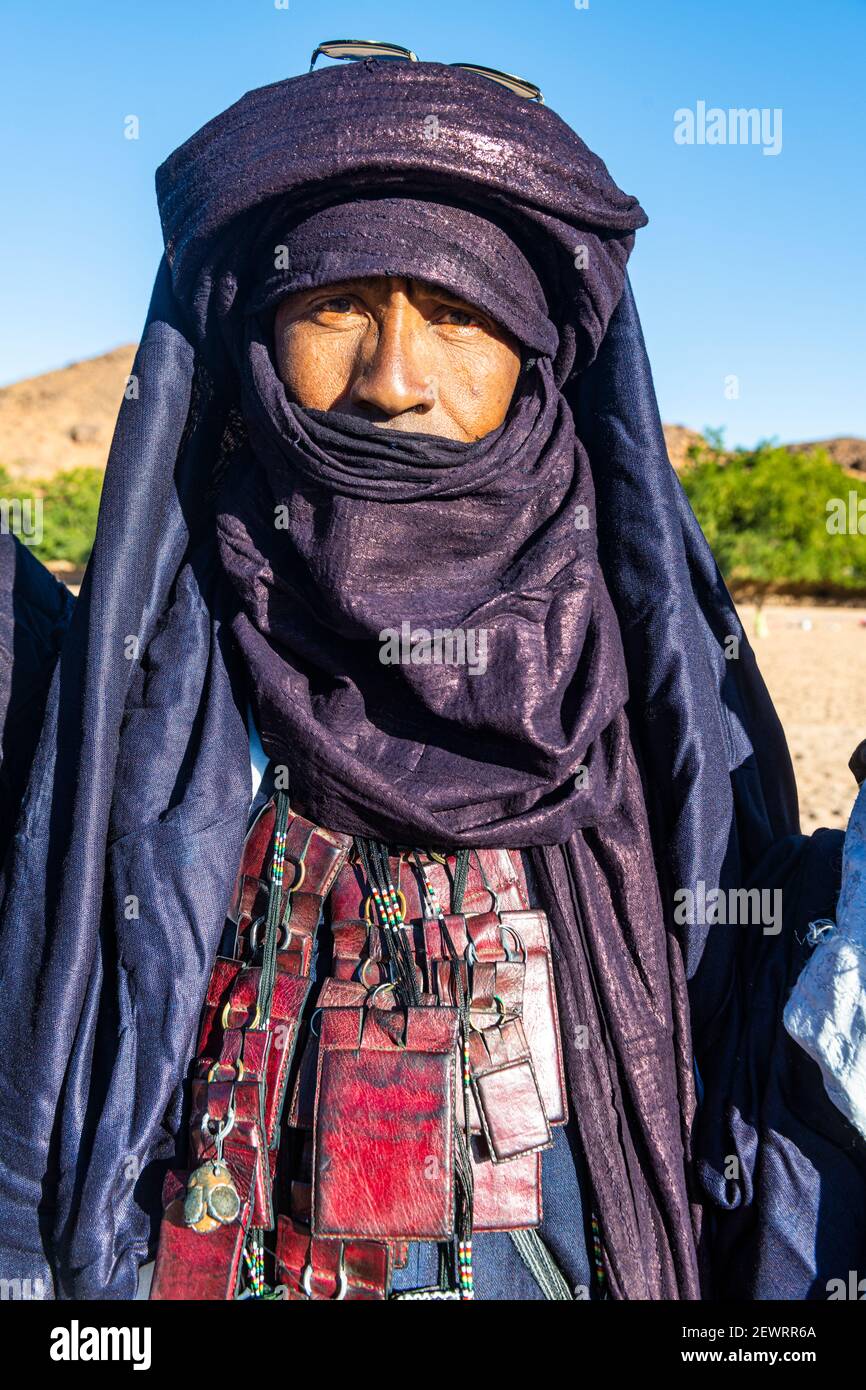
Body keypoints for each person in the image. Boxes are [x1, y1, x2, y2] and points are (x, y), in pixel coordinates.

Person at [0, 47, 863, 1302]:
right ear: (255, 338)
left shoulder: (648, 703)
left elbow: (748, 1027)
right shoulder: (128, 696)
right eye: (336, 306)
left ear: (537, 361)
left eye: (457, 316)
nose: (393, 378)